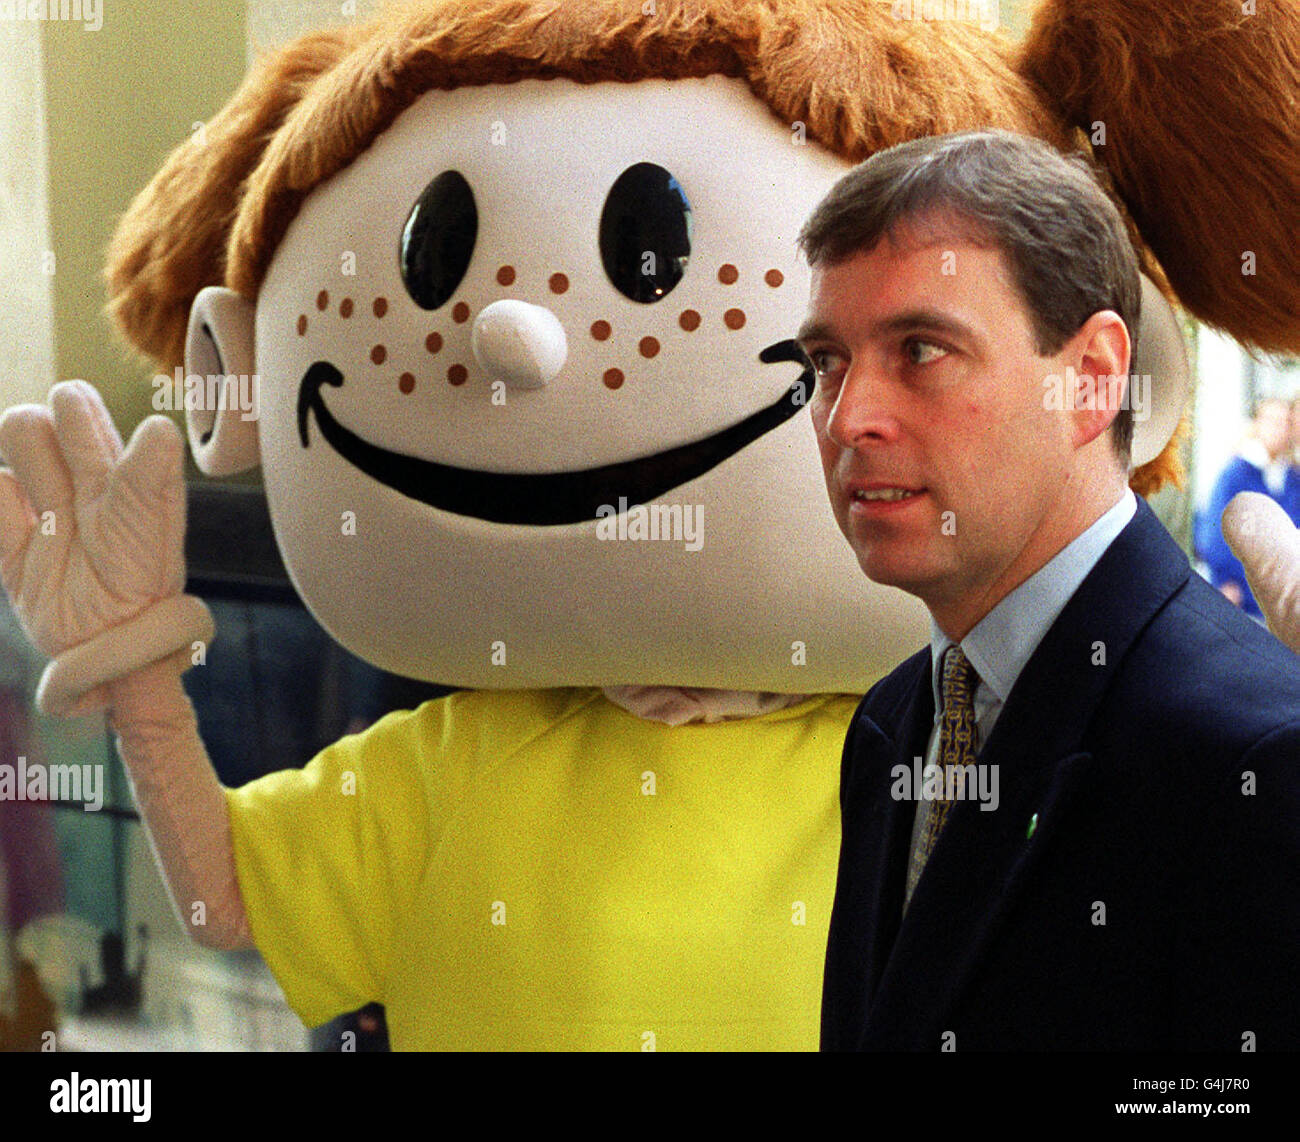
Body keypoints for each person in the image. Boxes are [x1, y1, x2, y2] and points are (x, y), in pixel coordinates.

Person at [796, 129, 1300, 1051]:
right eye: (826, 361)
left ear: (1093, 379)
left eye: (920, 349)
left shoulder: (1256, 748)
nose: (847, 417)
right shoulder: (890, 718)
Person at [1197, 396, 1300, 616]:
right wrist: (1225, 579)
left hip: (1285, 601)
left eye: (1286, 422)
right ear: (1257, 424)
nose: (1279, 429)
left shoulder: (1293, 479)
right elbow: (1214, 532)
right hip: (1243, 598)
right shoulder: (1235, 473)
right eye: (1272, 421)